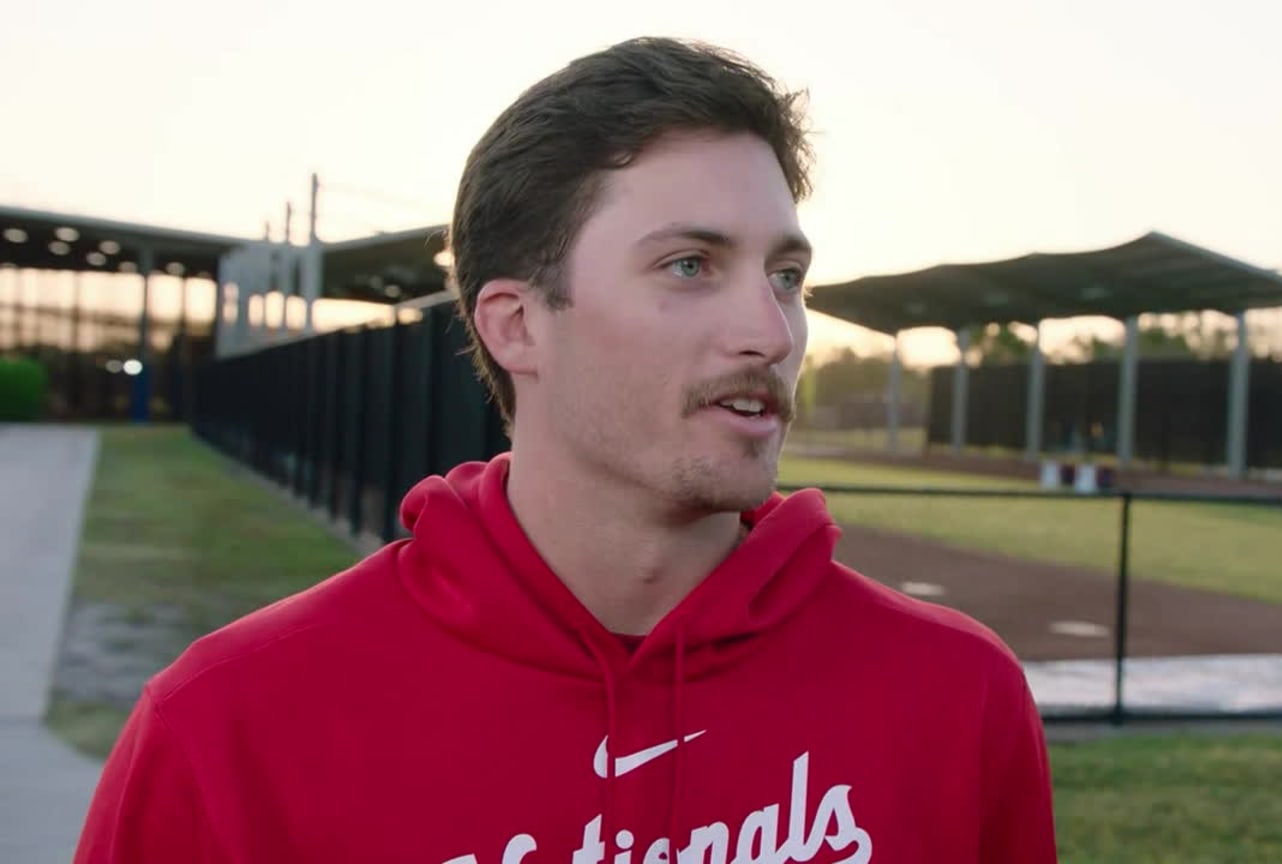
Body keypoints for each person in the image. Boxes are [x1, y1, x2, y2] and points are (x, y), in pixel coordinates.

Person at [73, 36, 1057, 863]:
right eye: (689, 265)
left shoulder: (955, 701)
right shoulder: (229, 728)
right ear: (515, 325)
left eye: (787, 274)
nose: (773, 329)